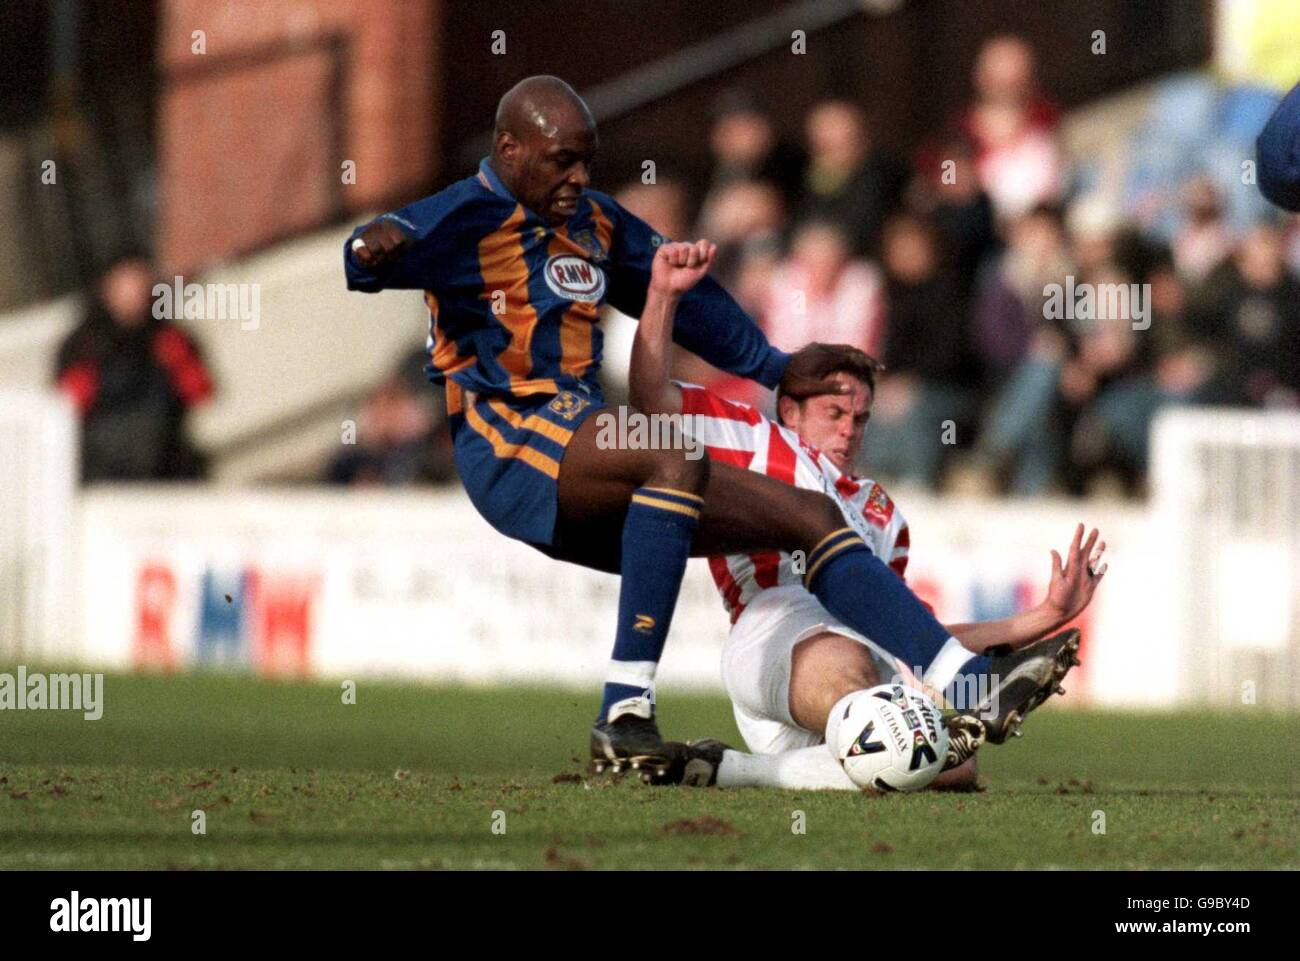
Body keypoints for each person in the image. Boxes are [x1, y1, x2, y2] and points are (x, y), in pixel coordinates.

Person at [344, 77, 1000, 773]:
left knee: (811, 513)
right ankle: (624, 709)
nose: (579, 176)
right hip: (510, 442)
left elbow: (691, 302)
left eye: (586, 161)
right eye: (562, 159)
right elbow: (378, 247)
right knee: (670, 452)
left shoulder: (594, 222)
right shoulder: (466, 216)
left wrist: (776, 368)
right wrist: (371, 245)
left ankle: (968, 678)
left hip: (581, 439)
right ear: (509, 149)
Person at [626, 240, 1106, 790]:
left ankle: (729, 770)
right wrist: (662, 295)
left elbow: (913, 637)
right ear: (790, 410)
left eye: (861, 417)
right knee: (884, 711)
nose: (848, 429)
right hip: (774, 634)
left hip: (858, 659)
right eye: (833, 413)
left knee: (953, 768)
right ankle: (910, 720)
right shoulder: (751, 437)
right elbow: (650, 398)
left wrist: (1040, 618)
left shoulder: (883, 515)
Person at [54, 256, 213, 482]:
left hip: (169, 466)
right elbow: (66, 409)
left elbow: (200, 391)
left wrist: (176, 361)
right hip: (107, 477)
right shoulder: (83, 346)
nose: (134, 294)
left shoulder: (166, 336)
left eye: (140, 284)